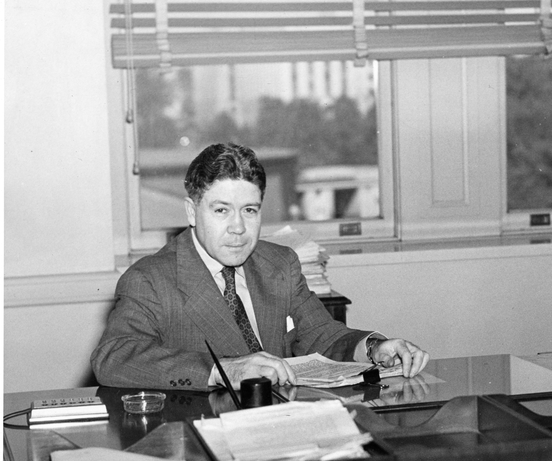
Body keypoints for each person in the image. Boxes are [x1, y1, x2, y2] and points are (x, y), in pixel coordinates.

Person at [91, 142, 429, 391]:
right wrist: (223, 370)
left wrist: (374, 347)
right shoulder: (150, 279)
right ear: (192, 213)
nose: (238, 227)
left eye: (250, 210)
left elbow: (321, 335)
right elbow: (114, 358)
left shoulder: (280, 264)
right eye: (221, 210)